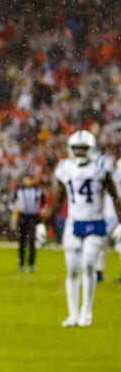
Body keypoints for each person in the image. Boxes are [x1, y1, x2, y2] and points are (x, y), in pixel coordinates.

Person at [45, 130, 121, 327]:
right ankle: (72, 314)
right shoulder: (66, 168)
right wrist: (44, 223)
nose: (79, 152)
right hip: (74, 222)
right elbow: (59, 198)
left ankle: (86, 312)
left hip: (95, 221)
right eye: (76, 148)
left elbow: (114, 196)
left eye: (83, 148)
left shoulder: (101, 167)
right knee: (72, 269)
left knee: (88, 265)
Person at [7, 173, 45, 273]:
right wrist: (15, 209)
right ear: (24, 179)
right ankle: (21, 264)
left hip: (33, 217)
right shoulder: (18, 190)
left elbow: (44, 201)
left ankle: (31, 264)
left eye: (30, 179)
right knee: (22, 241)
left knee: (32, 241)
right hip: (22, 216)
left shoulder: (37, 190)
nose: (28, 181)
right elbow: (10, 202)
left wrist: (41, 209)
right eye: (27, 179)